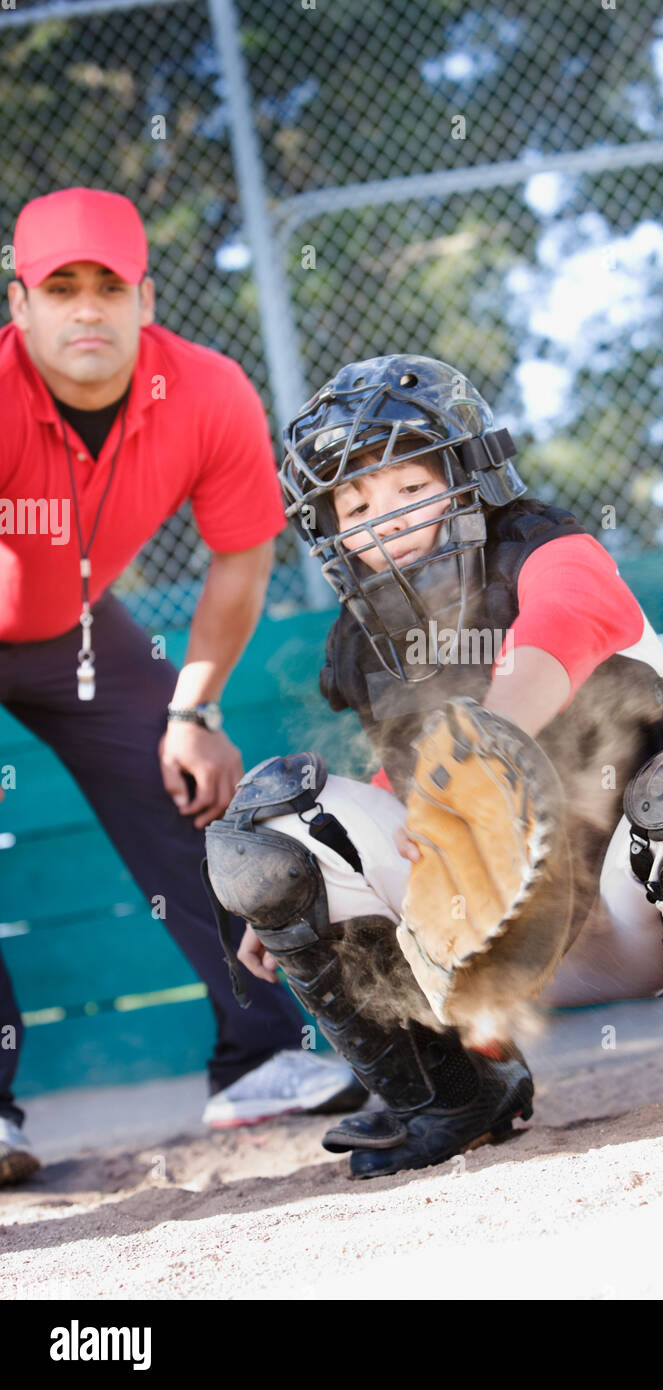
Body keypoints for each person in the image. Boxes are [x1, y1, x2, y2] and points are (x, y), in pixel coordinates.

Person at [205, 353, 663, 1181]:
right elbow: (389, 790)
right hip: (486, 950)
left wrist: (483, 745)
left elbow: (552, 636)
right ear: (326, 528)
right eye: (356, 503)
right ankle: (452, 1091)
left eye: (410, 488)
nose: (385, 519)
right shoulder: (359, 639)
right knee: (272, 829)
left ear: (470, 472)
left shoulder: (545, 548)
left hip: (647, 914)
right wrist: (290, 901)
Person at [0, 189, 361, 1188]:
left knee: (189, 786)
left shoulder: (205, 392)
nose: (85, 309)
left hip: (72, 627)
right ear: (19, 303)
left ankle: (259, 1058)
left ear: (145, 297)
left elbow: (239, 560)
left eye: (107, 285)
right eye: (59, 286)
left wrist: (194, 708)